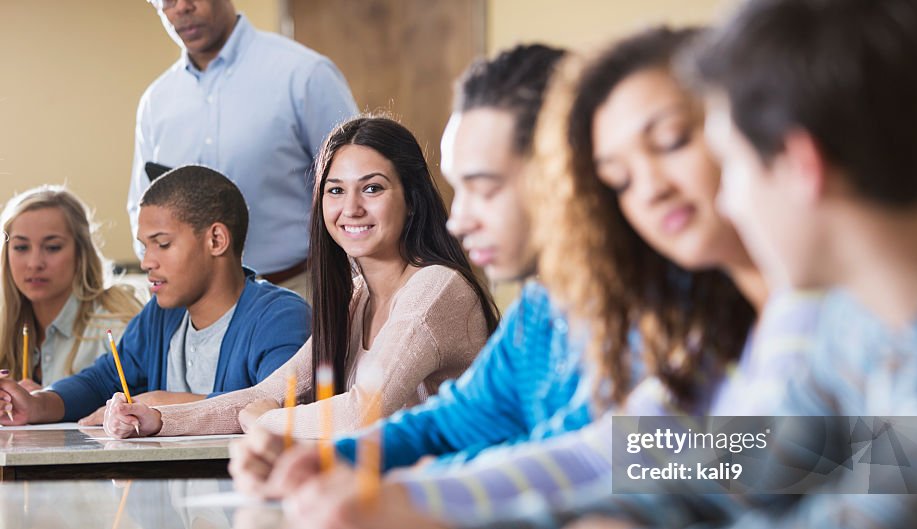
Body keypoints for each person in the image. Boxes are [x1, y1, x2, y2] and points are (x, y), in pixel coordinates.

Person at [286, 0, 917, 529]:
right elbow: (715, 469)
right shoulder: (853, 332)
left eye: (727, 165)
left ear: (800, 165)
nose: (725, 203)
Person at [224, 44, 611, 496]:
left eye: (483, 188)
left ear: (564, 173)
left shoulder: (673, 307)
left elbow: (693, 468)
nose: (460, 218)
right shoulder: (541, 311)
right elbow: (451, 424)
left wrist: (428, 506)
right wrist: (323, 462)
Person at [105, 116, 498, 442]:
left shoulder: (435, 287)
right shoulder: (357, 299)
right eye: (335, 190)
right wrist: (155, 419)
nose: (351, 208)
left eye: (372, 188)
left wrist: (266, 421)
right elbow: (266, 394)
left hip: (454, 506)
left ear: (411, 200)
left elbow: (362, 413)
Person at [0, 165, 310, 425]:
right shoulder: (161, 315)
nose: (147, 261)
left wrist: (161, 405)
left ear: (216, 240)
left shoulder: (280, 317)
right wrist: (38, 404)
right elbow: (100, 381)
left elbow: (278, 406)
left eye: (161, 244)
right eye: (144, 246)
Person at [129, 0, 358, 298]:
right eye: (167, 0)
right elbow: (141, 206)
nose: (182, 7)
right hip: (195, 305)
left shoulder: (305, 75)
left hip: (298, 291)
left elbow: (358, 185)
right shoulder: (156, 102)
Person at [0, 186, 142, 389]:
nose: (34, 263)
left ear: (81, 252)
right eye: (21, 247)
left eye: (52, 247)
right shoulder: (5, 326)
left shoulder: (114, 326)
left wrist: (49, 403)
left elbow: (144, 407)